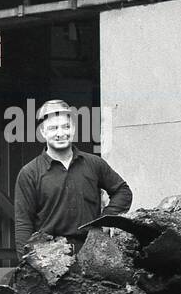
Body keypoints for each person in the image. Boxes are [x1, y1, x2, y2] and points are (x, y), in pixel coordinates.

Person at [13, 99, 133, 256]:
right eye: (54, 128)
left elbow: (123, 191)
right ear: (43, 132)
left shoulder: (93, 164)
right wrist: (26, 263)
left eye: (66, 127)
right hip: (50, 257)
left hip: (92, 253)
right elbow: (23, 224)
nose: (61, 133)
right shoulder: (29, 173)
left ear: (74, 129)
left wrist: (107, 219)